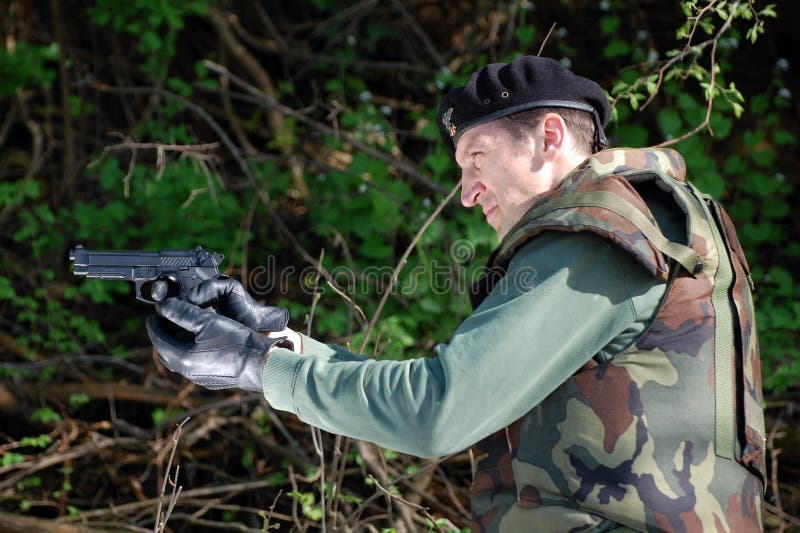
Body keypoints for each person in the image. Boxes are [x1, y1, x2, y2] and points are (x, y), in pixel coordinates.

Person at [147, 56, 766, 532]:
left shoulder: (598, 238)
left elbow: (439, 411)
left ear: (550, 137)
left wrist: (254, 366)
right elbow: (452, 392)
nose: (467, 193)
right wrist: (276, 344)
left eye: (478, 157)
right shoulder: (640, 224)